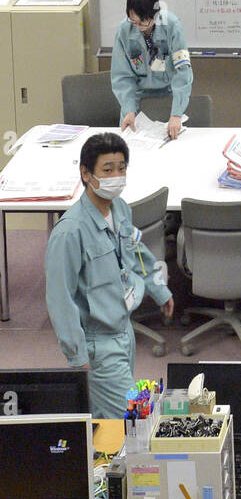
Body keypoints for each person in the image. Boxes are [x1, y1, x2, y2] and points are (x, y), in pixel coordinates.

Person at [45, 132, 174, 418]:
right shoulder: (69, 232)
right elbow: (59, 299)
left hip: (124, 330)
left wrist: (158, 289)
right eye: (107, 170)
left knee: (113, 421)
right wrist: (76, 355)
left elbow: (136, 252)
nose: (116, 176)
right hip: (97, 344)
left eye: (121, 168)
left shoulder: (120, 209)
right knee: (133, 421)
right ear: (86, 173)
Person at [110, 0, 192, 141]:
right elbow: (121, 76)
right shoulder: (124, 30)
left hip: (168, 99)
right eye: (133, 21)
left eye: (143, 22)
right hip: (137, 102)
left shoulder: (172, 26)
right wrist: (129, 110)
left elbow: (183, 71)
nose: (138, 27)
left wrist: (176, 114)